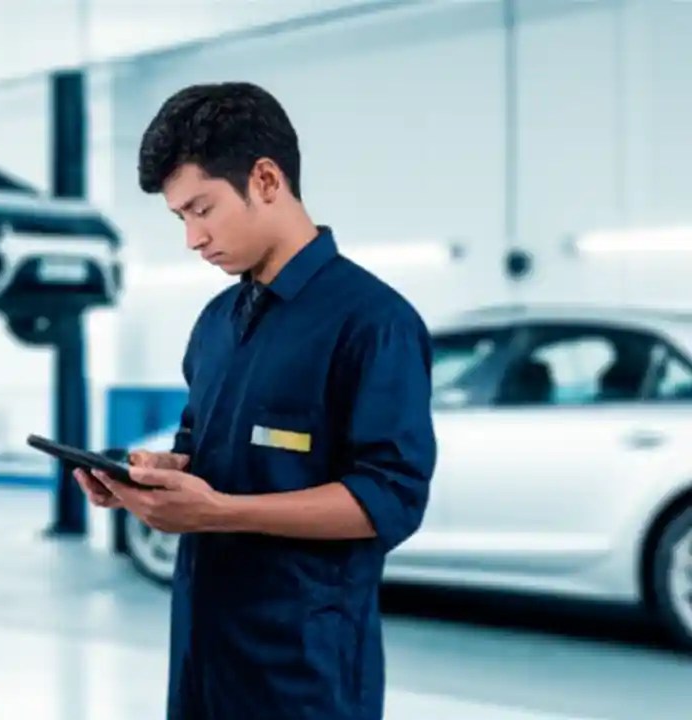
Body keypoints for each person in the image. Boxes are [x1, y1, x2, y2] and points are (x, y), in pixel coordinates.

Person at [74, 82, 437, 719]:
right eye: (180, 218)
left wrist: (221, 512)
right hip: (202, 656)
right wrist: (157, 475)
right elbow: (200, 449)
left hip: (305, 672)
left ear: (266, 180)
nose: (192, 238)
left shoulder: (373, 323)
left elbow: (391, 498)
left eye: (202, 209)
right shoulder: (216, 323)